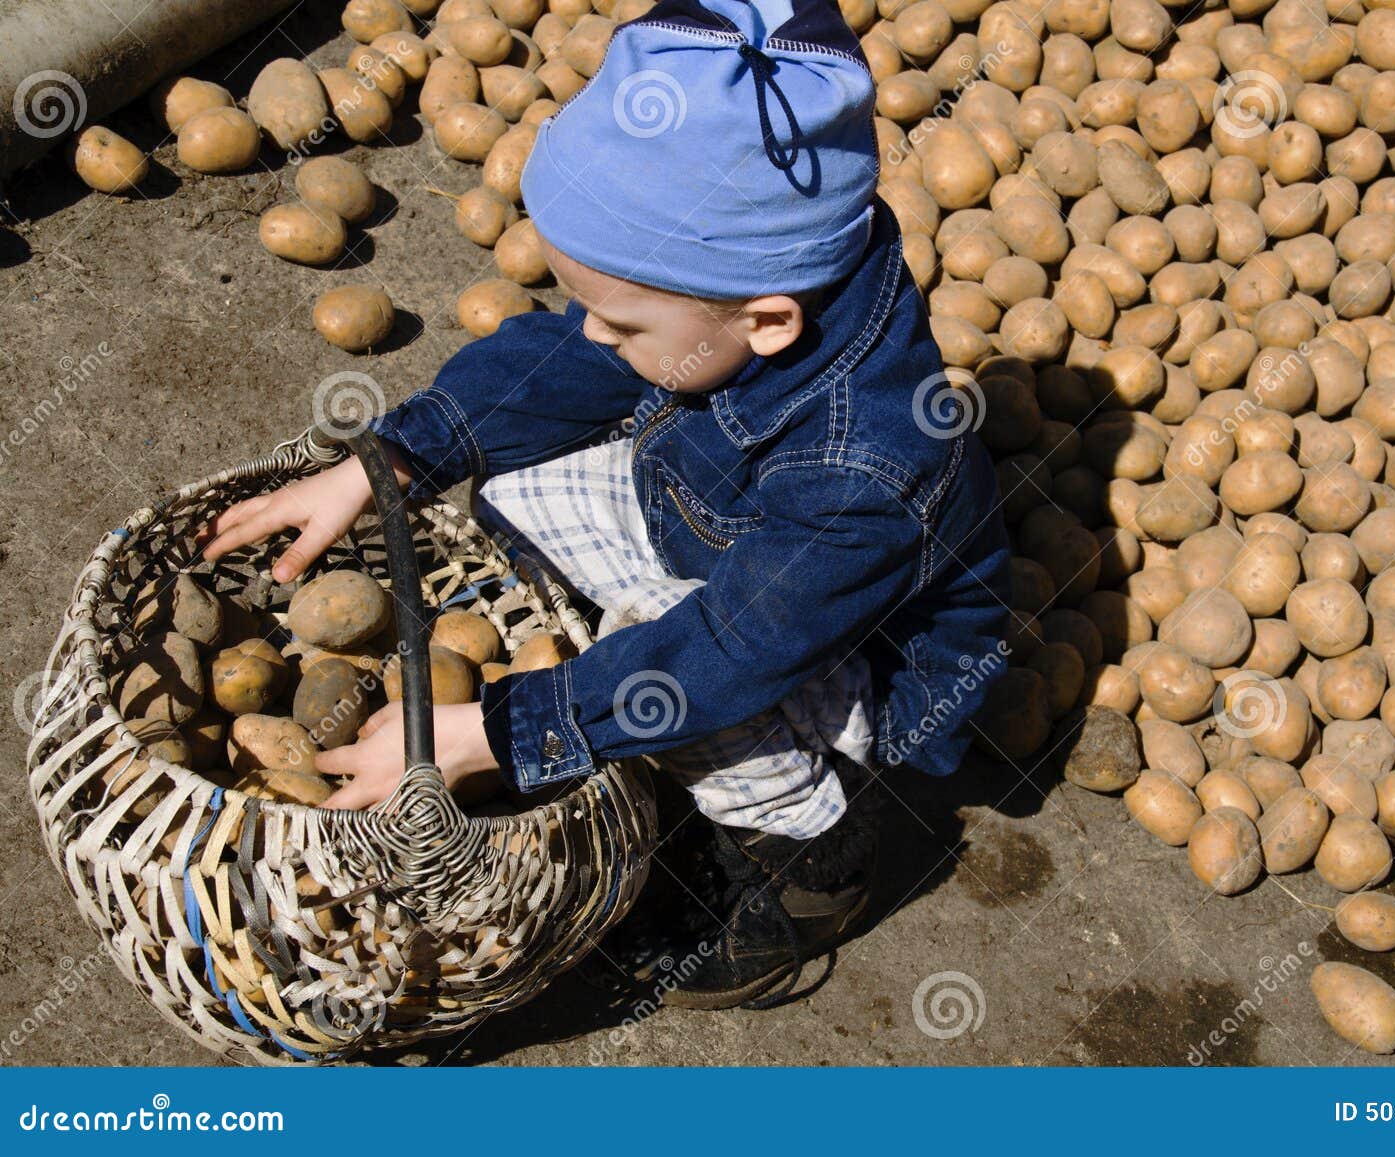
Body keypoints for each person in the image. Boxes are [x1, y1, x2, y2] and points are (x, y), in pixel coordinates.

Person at [202, 0, 1009, 1010]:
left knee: (670, 686)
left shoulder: (863, 475)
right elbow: (567, 365)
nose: (595, 332)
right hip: (715, 518)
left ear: (763, 322)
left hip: (843, 661)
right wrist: (391, 461)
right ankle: (585, 697)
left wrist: (490, 730)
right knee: (506, 485)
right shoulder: (733, 305)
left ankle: (814, 861)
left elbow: (722, 657)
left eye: (620, 320)